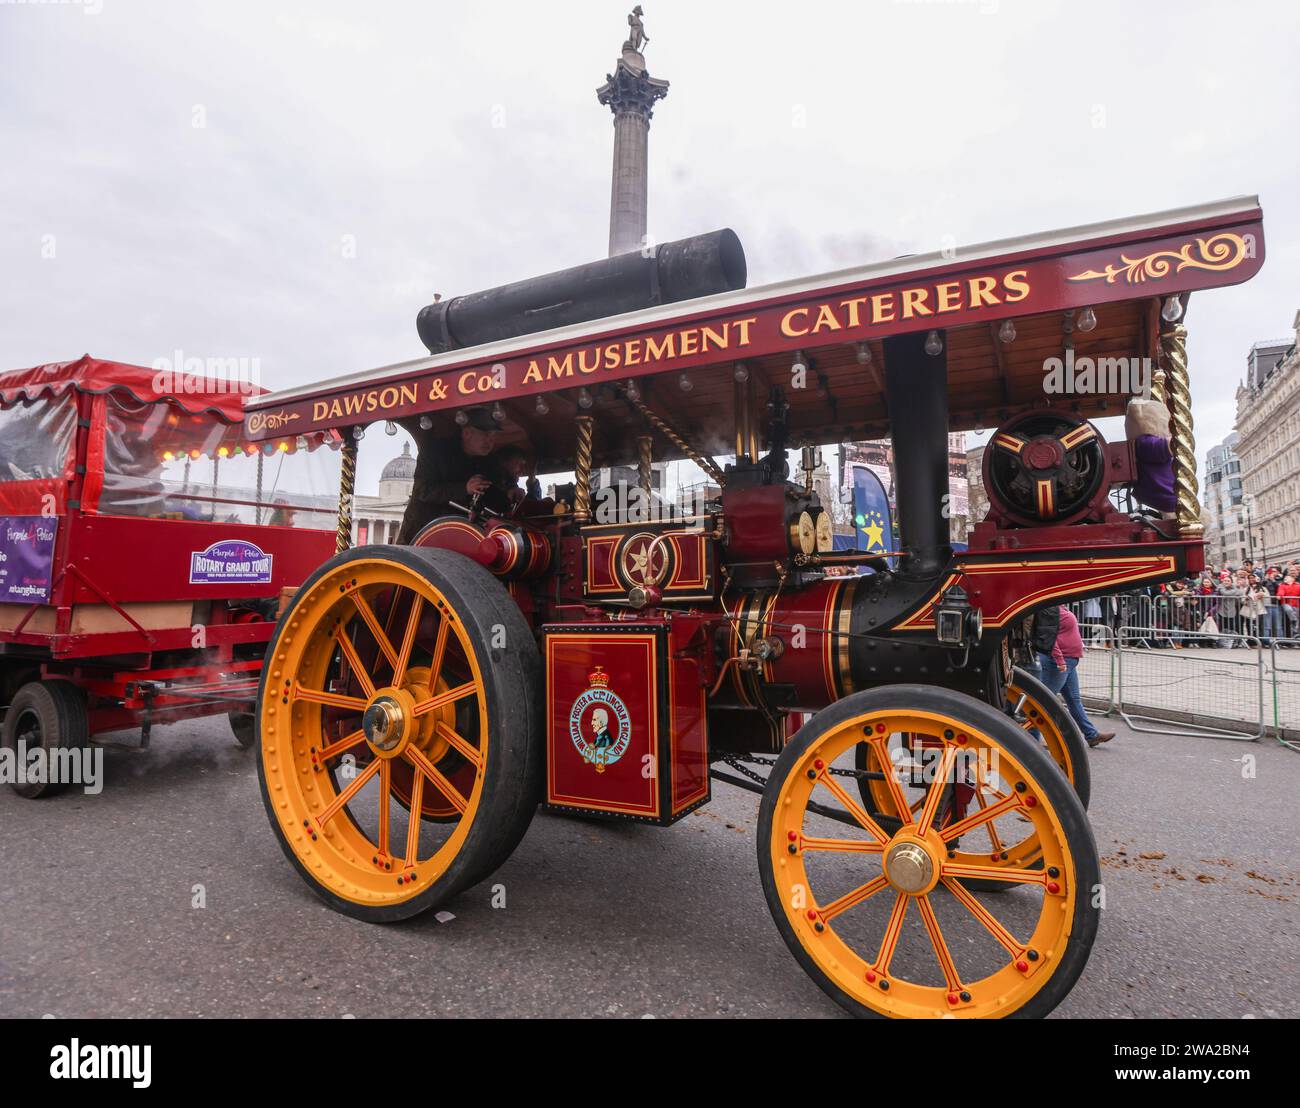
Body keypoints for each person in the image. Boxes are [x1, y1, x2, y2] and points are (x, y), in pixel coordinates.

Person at [396, 408, 499, 544]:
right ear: (467, 433)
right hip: (423, 530)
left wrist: (507, 494)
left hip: (459, 531)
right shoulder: (434, 451)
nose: (490, 442)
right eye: (486, 435)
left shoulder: (486, 462)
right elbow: (424, 491)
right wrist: (464, 489)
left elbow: (490, 491)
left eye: (492, 437)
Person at [1037, 605, 1114, 749]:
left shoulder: (1059, 607)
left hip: (1068, 661)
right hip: (1059, 662)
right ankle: (1031, 736)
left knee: (1073, 700)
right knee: (1042, 701)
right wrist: (1059, 660)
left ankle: (1091, 735)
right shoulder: (1048, 609)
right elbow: (1049, 638)